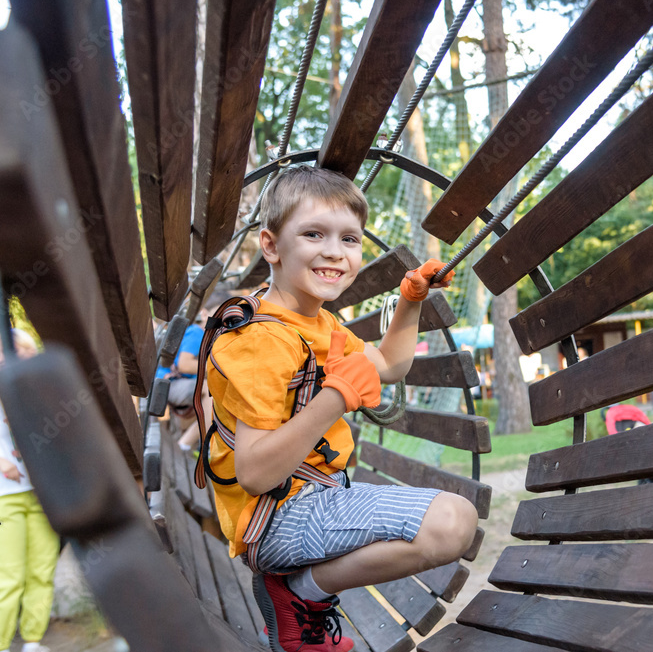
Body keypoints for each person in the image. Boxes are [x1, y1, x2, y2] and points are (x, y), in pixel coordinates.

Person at [200, 165, 478, 652]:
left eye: (350, 239)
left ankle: (297, 590)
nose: (335, 252)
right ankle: (296, 590)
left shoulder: (321, 324)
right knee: (453, 521)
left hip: (313, 498)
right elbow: (255, 473)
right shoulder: (261, 339)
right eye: (313, 234)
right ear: (270, 245)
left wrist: (411, 299)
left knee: (455, 520)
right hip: (277, 516)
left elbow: (389, 364)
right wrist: (336, 398)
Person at [0, 329, 59, 652]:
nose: (3, 358)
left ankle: (32, 642)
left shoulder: (45, 394)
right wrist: (1, 460)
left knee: (42, 572)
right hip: (1, 497)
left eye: (10, 351)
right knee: (7, 578)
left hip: (42, 494)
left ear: (29, 353)